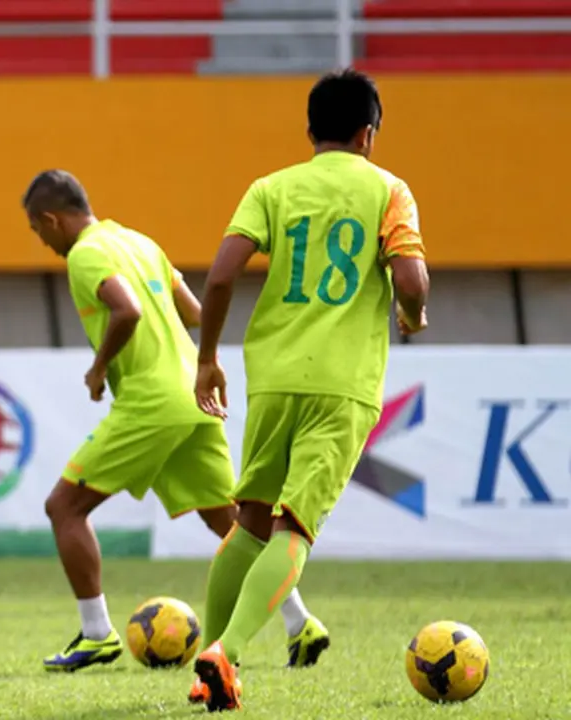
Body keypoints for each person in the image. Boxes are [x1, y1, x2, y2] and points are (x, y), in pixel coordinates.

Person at [20, 170, 328, 681]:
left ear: (52, 219)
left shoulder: (86, 253)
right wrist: (204, 361)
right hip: (194, 394)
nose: (42, 241)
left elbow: (127, 311)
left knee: (64, 506)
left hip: (152, 400)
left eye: (38, 230)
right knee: (229, 521)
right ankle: (300, 623)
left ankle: (96, 634)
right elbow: (194, 310)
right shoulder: (140, 242)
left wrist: (99, 368)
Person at [188, 69, 430, 712]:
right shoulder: (389, 190)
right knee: (294, 527)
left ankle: (204, 662)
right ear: (368, 134)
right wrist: (412, 316)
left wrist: (207, 359)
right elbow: (410, 279)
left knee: (248, 524)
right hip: (342, 385)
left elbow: (218, 280)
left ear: (310, 131)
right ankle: (226, 651)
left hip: (271, 377)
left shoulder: (271, 188)